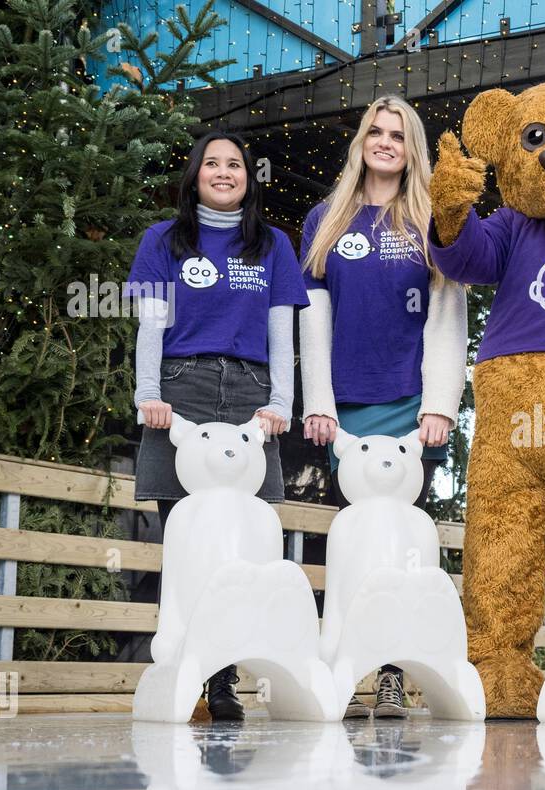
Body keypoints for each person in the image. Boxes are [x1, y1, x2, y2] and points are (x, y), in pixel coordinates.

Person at [128, 131, 309, 721]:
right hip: (181, 391)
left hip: (251, 399)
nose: (225, 172)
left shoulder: (274, 245)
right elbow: (151, 325)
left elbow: (282, 333)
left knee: (240, 548)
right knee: (185, 540)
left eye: (236, 164)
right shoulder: (163, 241)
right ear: (196, 174)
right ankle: (180, 668)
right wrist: (149, 394)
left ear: (248, 178)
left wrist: (281, 402)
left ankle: (223, 679)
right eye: (213, 163)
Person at [299, 96, 467, 719]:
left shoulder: (429, 218)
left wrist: (440, 405)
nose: (386, 141)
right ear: (362, 141)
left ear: (411, 147)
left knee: (400, 553)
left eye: (399, 134)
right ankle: (341, 667)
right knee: (350, 548)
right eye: (376, 130)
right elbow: (313, 317)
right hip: (344, 413)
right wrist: (317, 401)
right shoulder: (326, 217)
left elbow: (448, 317)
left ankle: (393, 673)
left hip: (407, 408)